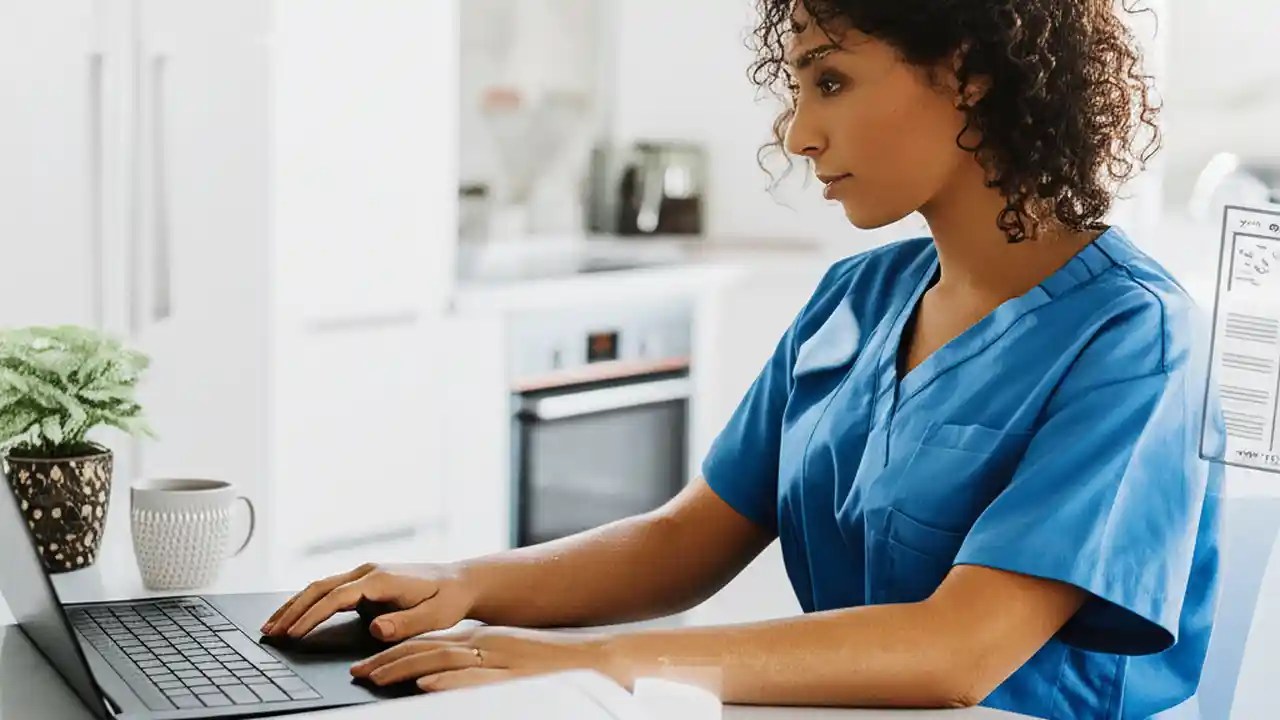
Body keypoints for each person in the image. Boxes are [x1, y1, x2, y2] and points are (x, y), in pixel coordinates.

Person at [264, 1, 1222, 716]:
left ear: (968, 72)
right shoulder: (857, 300)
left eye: (832, 80)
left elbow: (957, 651)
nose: (799, 134)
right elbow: (688, 538)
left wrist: (598, 662)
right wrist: (466, 585)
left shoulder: (1134, 337)